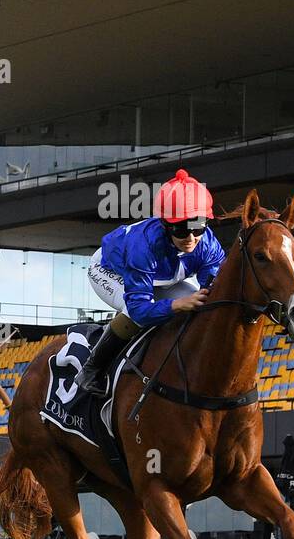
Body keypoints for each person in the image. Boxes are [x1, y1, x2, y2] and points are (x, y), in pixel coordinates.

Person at [77, 169, 226, 395]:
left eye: (198, 227)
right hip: (109, 270)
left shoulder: (207, 244)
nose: (191, 238)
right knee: (132, 310)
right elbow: (139, 310)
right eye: (181, 229)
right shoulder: (143, 246)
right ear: (165, 225)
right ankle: (90, 370)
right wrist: (177, 305)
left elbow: (213, 288)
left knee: (200, 303)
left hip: (161, 279)